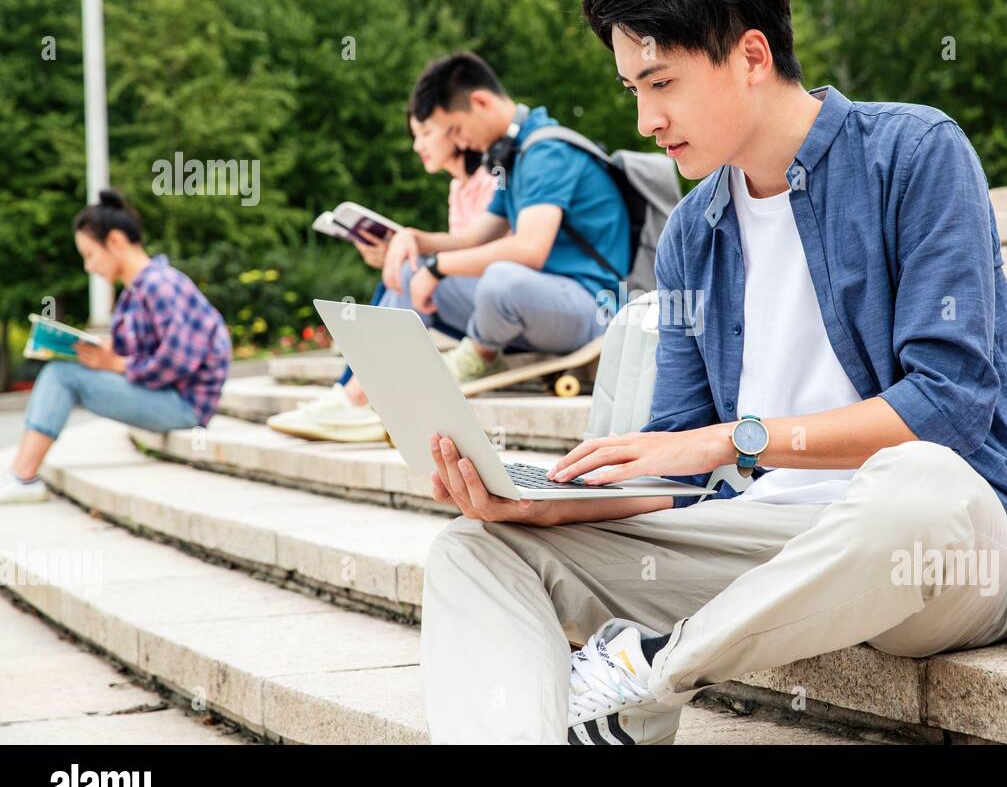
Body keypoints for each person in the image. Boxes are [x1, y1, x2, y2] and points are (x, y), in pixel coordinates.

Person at [416, 0, 1007, 745]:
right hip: (777, 544)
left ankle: (650, 671)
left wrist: (732, 441)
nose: (644, 121)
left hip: (948, 549)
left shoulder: (917, 154)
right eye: (632, 90)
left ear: (750, 56)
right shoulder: (692, 232)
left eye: (661, 83)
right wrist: (546, 507)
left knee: (916, 479)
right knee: (473, 550)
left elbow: (950, 406)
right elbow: (675, 456)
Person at [274, 51, 632, 443]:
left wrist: (438, 266)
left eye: (455, 129)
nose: (459, 142)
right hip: (537, 302)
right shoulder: (516, 156)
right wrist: (413, 239)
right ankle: (356, 397)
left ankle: (476, 357)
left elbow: (530, 249)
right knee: (414, 267)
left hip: (589, 307)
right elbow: (471, 239)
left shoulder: (547, 151)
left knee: (499, 277)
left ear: (480, 101)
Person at [268, 97, 495, 442]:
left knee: (408, 270)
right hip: (469, 300)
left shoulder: (493, 179)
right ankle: (349, 393)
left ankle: (354, 397)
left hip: (497, 305)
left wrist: (417, 262)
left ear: (454, 129)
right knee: (399, 272)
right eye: (413, 136)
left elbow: (487, 259)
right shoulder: (458, 187)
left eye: (425, 133)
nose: (418, 146)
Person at [2, 190, 231, 504]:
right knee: (63, 370)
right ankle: (22, 474)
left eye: (90, 254)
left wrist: (113, 364)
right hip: (165, 397)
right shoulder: (134, 294)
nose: (89, 266)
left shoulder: (160, 284)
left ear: (115, 242)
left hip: (185, 405)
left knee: (61, 376)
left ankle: (23, 477)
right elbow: (125, 351)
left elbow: (177, 363)